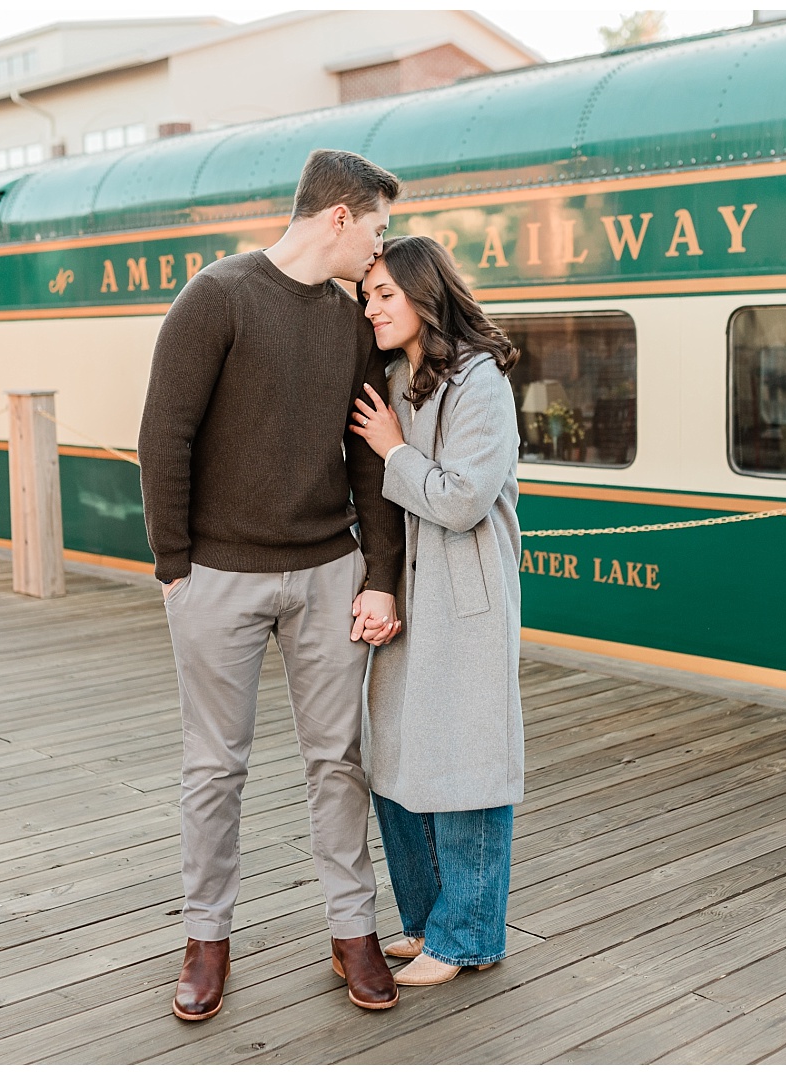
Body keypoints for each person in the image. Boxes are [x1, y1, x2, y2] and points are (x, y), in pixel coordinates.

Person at [138, 148, 408, 1021]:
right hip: (217, 578)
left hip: (328, 571)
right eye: (377, 229)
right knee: (215, 767)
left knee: (339, 760)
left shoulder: (351, 322)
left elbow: (369, 459)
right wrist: (174, 568)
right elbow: (164, 435)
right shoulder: (217, 296)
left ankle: (353, 931)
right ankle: (206, 937)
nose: (381, 249)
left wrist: (379, 574)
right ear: (340, 217)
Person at [349, 234, 523, 987]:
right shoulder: (394, 378)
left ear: (425, 294)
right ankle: (425, 922)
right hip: (411, 596)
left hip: (466, 600)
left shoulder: (481, 382)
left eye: (385, 294)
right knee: (395, 754)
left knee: (467, 762)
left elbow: (460, 499)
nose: (371, 308)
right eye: (367, 296)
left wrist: (393, 451)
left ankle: (469, 937)